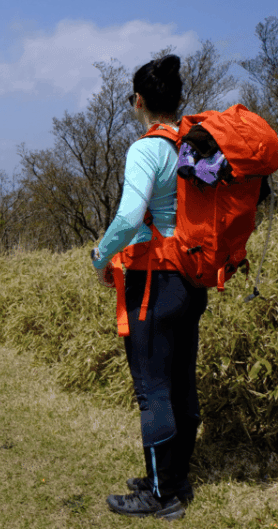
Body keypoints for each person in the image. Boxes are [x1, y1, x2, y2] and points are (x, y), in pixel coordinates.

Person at [90, 55, 208, 520]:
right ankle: (172, 478)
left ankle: (161, 497)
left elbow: (127, 215)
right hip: (190, 278)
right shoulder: (192, 145)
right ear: (177, 101)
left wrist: (102, 255)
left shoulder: (146, 149)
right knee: (180, 383)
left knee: (152, 390)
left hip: (152, 279)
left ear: (138, 101)